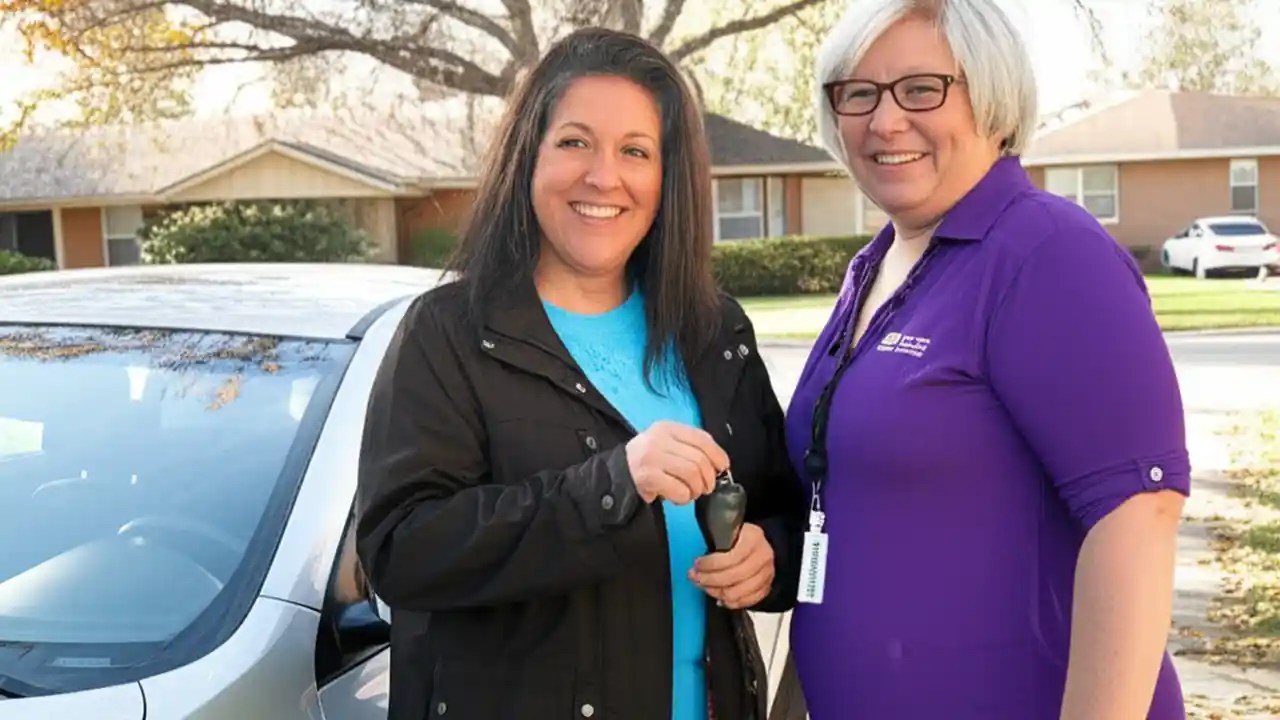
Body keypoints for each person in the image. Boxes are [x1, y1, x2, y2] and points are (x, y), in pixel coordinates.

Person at [355, 27, 804, 720]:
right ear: (528, 159)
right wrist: (613, 485)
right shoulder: (447, 334)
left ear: (666, 179)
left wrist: (770, 555)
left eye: (635, 151)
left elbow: (785, 509)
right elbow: (401, 550)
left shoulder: (714, 333)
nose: (603, 176)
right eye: (574, 142)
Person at [780, 1, 1191, 718]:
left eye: (920, 89)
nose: (884, 121)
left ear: (994, 99)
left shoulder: (1045, 253)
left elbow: (1139, 516)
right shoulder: (876, 267)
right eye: (859, 93)